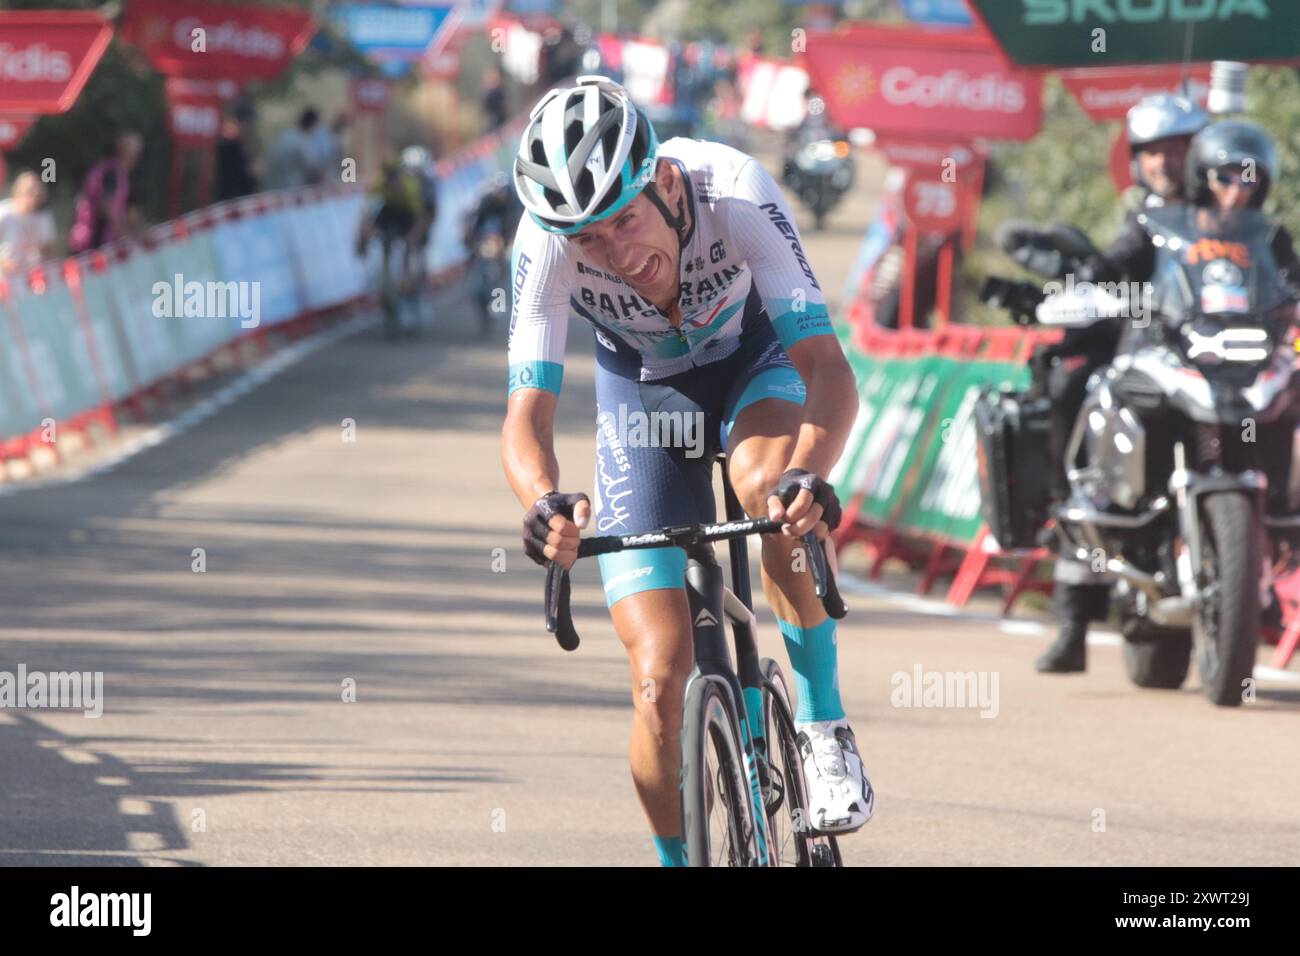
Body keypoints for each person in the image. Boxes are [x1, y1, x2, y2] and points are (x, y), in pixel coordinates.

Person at [503, 76, 872, 867]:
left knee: (770, 492)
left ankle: (822, 724)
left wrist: (809, 475)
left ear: (664, 183)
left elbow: (829, 369)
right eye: (587, 242)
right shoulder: (541, 243)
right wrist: (543, 504)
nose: (615, 253)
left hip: (755, 361)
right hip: (642, 394)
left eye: (623, 219)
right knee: (657, 681)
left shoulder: (733, 191)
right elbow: (526, 414)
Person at [1035, 93, 1208, 674]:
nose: (1163, 161)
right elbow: (1116, 265)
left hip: (1220, 363)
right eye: (1151, 151)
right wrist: (1088, 278)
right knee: (1099, 464)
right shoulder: (1145, 220)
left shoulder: (1231, 215)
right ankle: (1073, 624)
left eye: (1175, 147)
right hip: (1150, 362)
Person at [68, 131, 143, 254]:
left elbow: (132, 213)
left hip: (102, 242)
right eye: (135, 151)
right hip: (93, 242)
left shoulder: (124, 177)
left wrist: (142, 235)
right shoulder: (111, 173)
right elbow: (108, 208)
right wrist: (127, 237)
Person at [0, 171, 56, 275]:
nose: (35, 195)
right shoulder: (3, 213)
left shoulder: (43, 217)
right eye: (30, 192)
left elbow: (48, 252)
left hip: (34, 279)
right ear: (18, 191)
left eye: (38, 191)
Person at [265, 108, 322, 190]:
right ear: (312, 124)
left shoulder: (285, 135)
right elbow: (313, 168)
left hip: (273, 186)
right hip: (291, 188)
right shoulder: (303, 141)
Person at [216, 105, 259, 201]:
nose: (249, 128)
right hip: (232, 199)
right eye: (246, 122)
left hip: (244, 198)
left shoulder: (245, 144)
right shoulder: (228, 145)